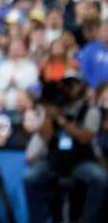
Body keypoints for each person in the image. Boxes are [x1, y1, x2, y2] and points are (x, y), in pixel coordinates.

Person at [24, 72, 108, 223]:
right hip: (54, 160)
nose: (69, 88)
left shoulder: (90, 110)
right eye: (67, 84)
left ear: (81, 86)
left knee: (100, 178)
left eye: (73, 84)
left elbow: (84, 137)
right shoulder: (55, 106)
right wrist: (47, 114)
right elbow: (46, 137)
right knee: (30, 177)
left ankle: (88, 220)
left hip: (79, 160)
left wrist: (60, 119)